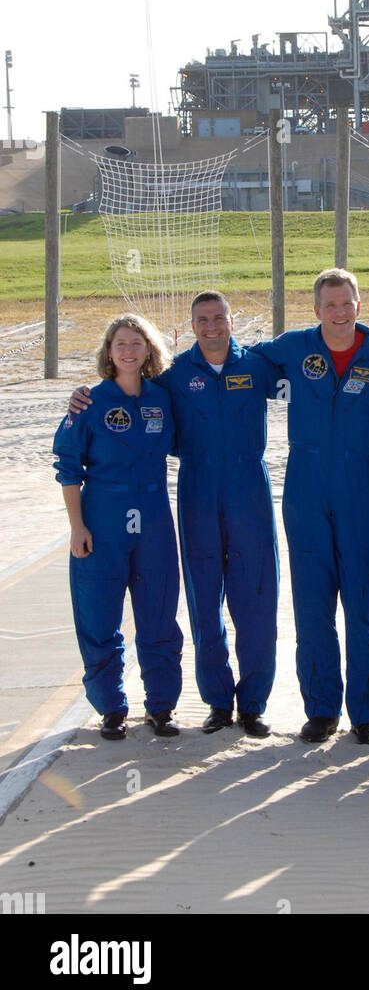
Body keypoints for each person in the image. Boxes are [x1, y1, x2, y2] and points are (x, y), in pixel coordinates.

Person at [67, 292, 282, 738]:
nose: (211, 326)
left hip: (249, 489)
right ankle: (219, 702)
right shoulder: (174, 377)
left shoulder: (259, 364)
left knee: (257, 596)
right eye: (202, 319)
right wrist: (80, 395)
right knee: (205, 600)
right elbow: (122, 396)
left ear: (230, 320)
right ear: (192, 323)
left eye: (219, 317)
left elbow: (314, 371)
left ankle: (254, 703)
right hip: (196, 490)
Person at [248, 269, 369, 746]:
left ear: (359, 304)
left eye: (346, 302)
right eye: (329, 305)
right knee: (313, 604)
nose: (338, 312)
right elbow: (234, 365)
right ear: (316, 310)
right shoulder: (293, 347)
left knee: (362, 603)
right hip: (305, 484)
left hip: (360, 484)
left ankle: (367, 713)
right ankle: (321, 710)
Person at [53, 314, 183, 740]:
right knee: (98, 614)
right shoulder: (88, 401)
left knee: (159, 612)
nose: (128, 350)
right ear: (108, 353)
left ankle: (161, 707)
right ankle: (111, 708)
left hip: (154, 515)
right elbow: (68, 468)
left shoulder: (163, 398)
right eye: (120, 343)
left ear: (149, 350)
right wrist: (77, 527)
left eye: (136, 342)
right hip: (103, 516)